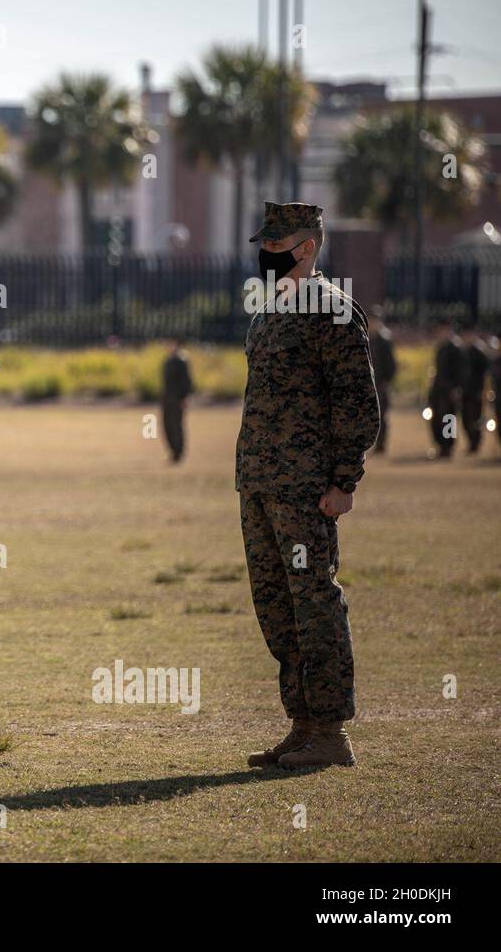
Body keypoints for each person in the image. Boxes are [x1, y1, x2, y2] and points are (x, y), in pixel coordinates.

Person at [239, 202, 380, 769]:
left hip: (306, 487)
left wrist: (344, 480)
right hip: (260, 482)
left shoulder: (333, 311)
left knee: (314, 601)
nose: (265, 255)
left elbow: (358, 403)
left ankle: (330, 731)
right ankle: (301, 724)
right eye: (263, 245)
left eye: (276, 245)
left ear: (307, 247)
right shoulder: (270, 311)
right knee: (277, 607)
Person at [426, 320, 464, 459]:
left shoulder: (456, 348)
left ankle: (448, 447)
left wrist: (456, 388)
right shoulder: (441, 348)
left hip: (449, 391)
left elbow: (460, 371)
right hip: (438, 390)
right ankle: (440, 445)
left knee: (449, 419)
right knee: (436, 419)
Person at [368, 310, 397, 454]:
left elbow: (391, 363)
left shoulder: (385, 339)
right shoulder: (367, 338)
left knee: (381, 415)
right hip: (369, 384)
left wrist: (387, 381)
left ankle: (381, 444)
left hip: (381, 383)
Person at [160, 337, 194, 463]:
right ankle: (173, 451)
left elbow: (187, 381)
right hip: (167, 397)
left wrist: (184, 397)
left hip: (177, 398)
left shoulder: (182, 360)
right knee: (166, 425)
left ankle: (178, 452)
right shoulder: (168, 360)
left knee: (176, 425)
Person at [460, 324, 492, 454]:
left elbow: (486, 374)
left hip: (476, 391)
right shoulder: (462, 351)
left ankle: (476, 443)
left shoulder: (480, 352)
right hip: (464, 391)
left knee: (475, 418)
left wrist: (483, 390)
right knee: (464, 419)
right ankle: (469, 442)